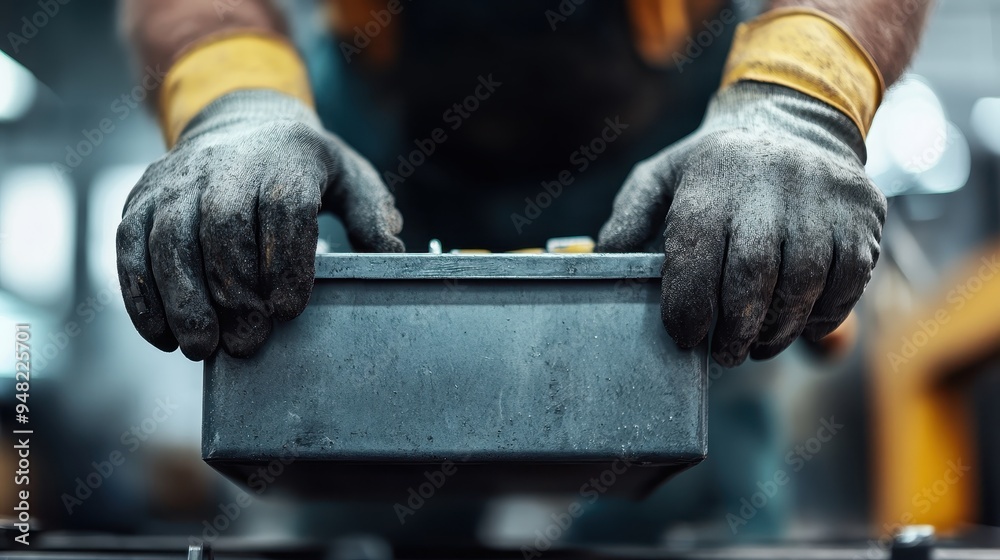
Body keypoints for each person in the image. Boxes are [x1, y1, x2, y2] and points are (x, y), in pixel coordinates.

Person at [117, 0, 932, 365]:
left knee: (693, 445)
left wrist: (793, 104)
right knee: (345, 435)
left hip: (688, 146)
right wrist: (237, 107)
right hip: (380, 154)